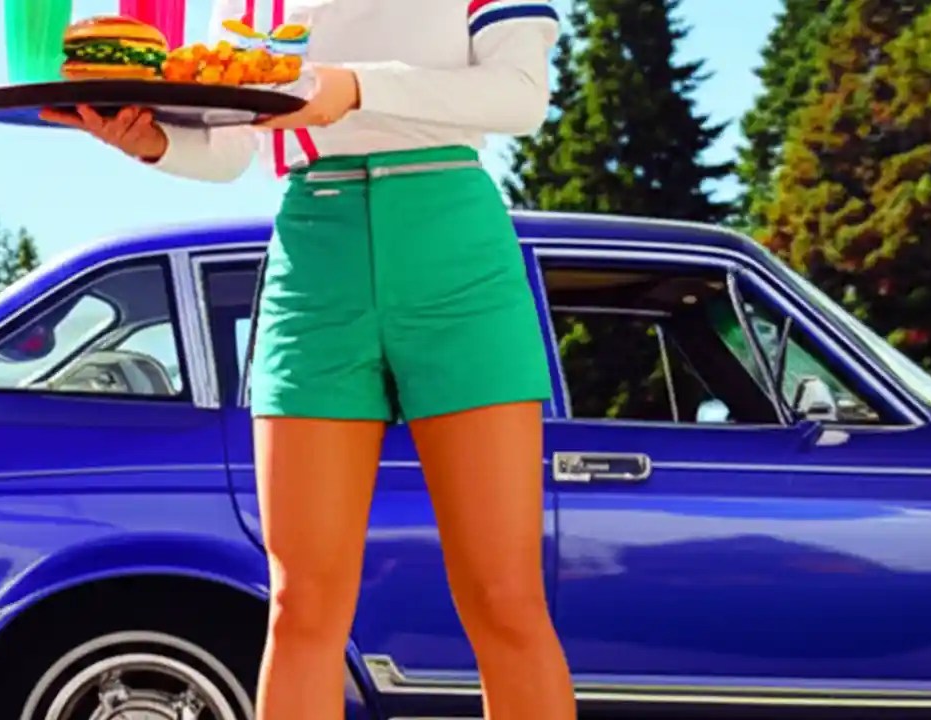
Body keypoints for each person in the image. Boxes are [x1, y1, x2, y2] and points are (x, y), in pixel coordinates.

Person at [40, 0, 578, 716]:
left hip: (456, 251)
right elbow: (231, 146)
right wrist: (148, 141)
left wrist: (351, 89)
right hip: (313, 253)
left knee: (504, 596)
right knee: (299, 605)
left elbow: (520, 94)